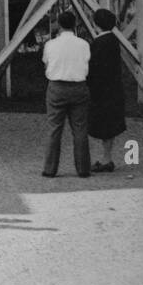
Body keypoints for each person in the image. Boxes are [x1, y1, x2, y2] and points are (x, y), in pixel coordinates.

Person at [41, 10, 91, 178]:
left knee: (54, 128)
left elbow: (46, 63)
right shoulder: (84, 44)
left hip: (57, 87)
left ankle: (50, 168)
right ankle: (83, 168)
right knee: (80, 128)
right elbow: (86, 63)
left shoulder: (50, 45)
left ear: (59, 25)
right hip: (79, 87)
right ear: (75, 25)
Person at [88, 8, 126, 173]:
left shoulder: (98, 43)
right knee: (109, 125)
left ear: (96, 24)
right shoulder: (113, 40)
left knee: (102, 125)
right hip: (113, 89)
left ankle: (105, 160)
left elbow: (93, 68)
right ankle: (107, 158)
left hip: (101, 90)